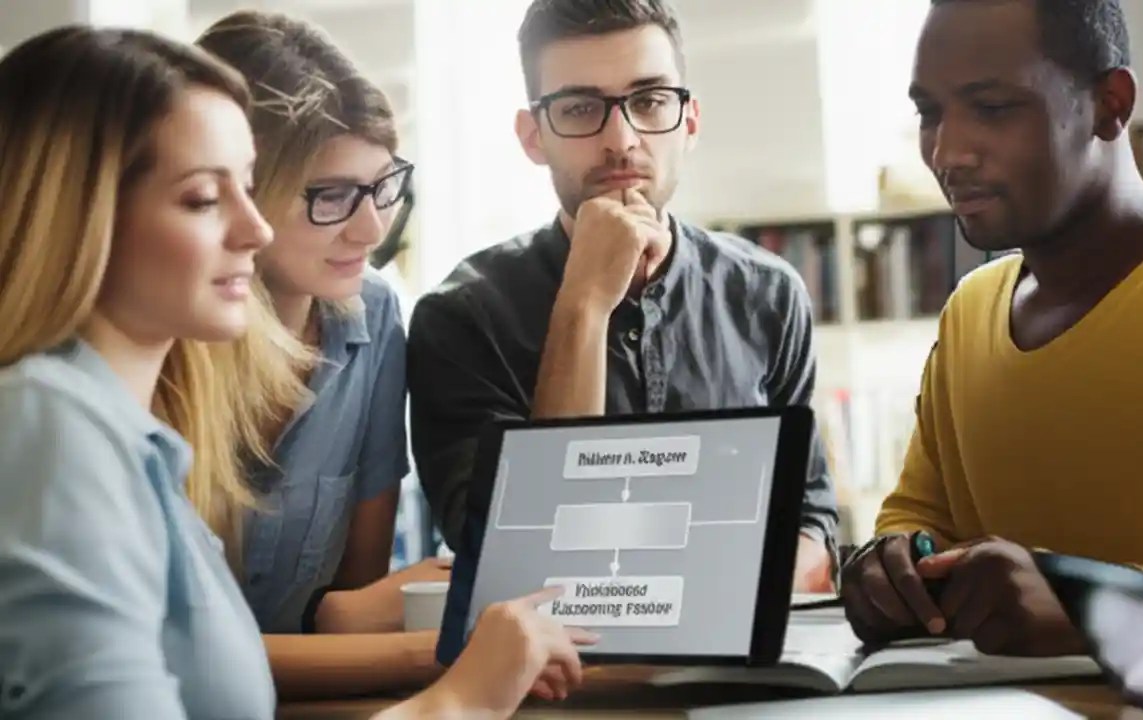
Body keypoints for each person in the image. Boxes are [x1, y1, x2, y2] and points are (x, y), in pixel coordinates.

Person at [0, 25, 593, 719]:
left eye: (248, 189)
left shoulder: (130, 445)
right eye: (202, 198)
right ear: (82, 215)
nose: (253, 230)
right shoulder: (51, 426)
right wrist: (462, 692)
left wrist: (346, 622)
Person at [840, 0, 1143, 659]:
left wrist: (1105, 607)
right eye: (931, 112)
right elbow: (917, 520)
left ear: (1109, 104)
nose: (948, 152)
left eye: (990, 107)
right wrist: (892, 568)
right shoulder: (970, 312)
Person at [408, 0, 839, 593]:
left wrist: (723, 596)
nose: (622, 139)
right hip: (555, 675)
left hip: (740, 665)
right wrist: (583, 304)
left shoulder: (769, 294)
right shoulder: (459, 317)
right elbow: (513, 558)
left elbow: (811, 523)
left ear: (688, 121)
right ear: (533, 137)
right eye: (581, 107)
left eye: (649, 101)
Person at [195, 10, 463, 700]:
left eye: (382, 186)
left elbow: (354, 604)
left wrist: (369, 624)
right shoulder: (161, 338)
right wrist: (441, 654)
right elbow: (181, 653)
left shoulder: (373, 313)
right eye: (332, 195)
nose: (373, 227)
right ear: (239, 192)